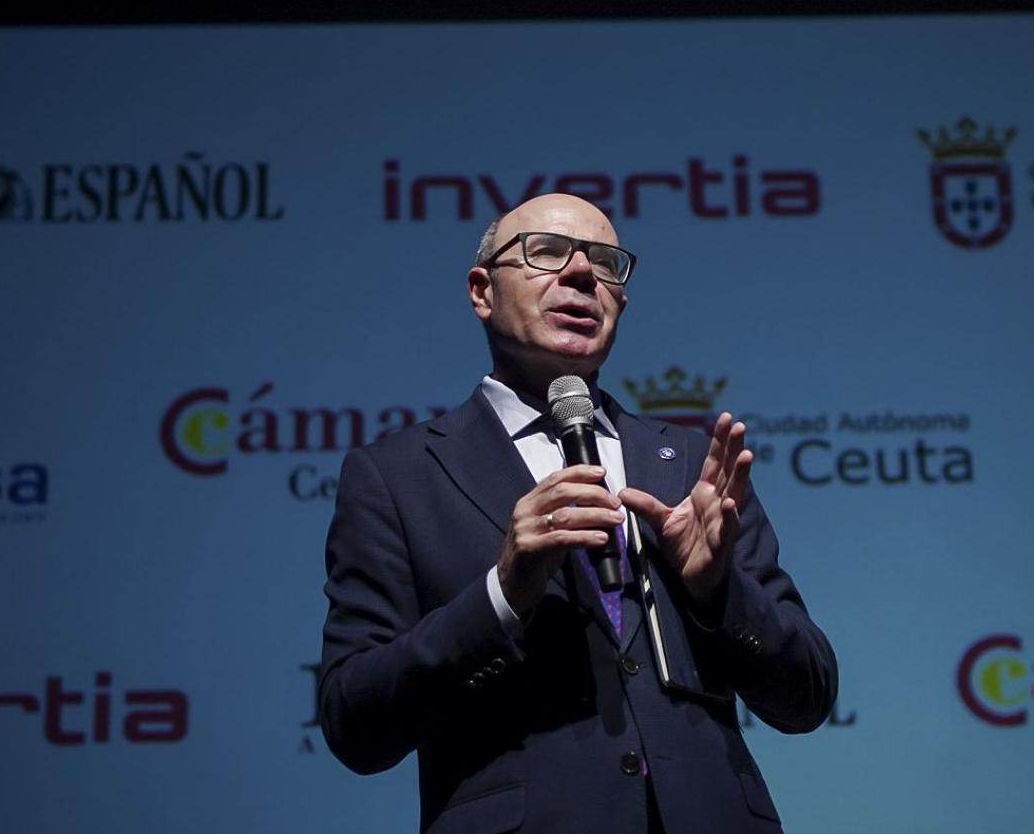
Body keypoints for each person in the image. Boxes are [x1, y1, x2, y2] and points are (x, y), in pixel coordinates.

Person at [318, 192, 838, 833]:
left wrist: (717, 592)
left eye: (605, 263)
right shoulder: (398, 477)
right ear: (482, 292)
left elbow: (808, 696)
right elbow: (354, 724)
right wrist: (502, 595)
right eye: (546, 253)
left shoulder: (692, 465)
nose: (582, 274)